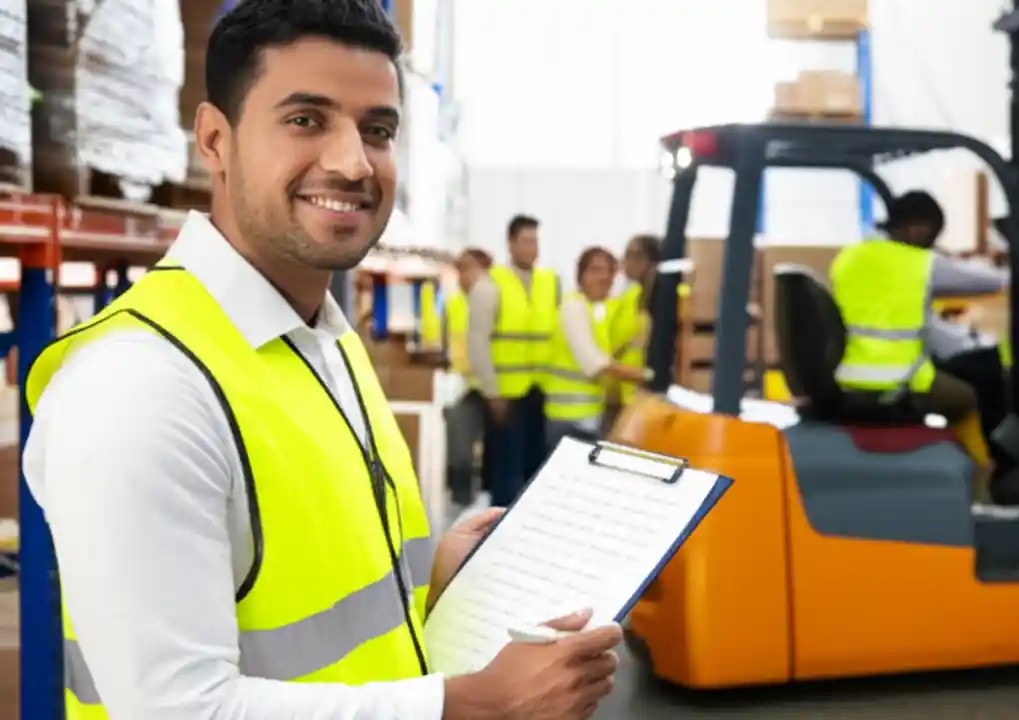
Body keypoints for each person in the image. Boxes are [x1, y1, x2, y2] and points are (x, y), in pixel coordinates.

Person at [21, 2, 621, 718]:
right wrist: (473, 705)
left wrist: (429, 577)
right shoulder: (139, 388)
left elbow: (314, 587)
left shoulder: (323, 340)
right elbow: (180, 710)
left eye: (378, 130)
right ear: (215, 139)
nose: (352, 161)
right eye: (306, 120)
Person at [830, 190, 1007, 496]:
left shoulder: (849, 256)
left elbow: (891, 314)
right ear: (918, 228)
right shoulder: (917, 263)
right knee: (968, 397)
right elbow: (990, 281)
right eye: (933, 236)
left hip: (849, 375)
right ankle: (984, 479)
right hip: (896, 380)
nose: (932, 244)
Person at [467, 214, 560, 507]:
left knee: (535, 468)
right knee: (506, 474)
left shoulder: (550, 283)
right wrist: (491, 392)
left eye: (535, 241)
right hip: (505, 394)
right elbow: (477, 342)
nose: (532, 247)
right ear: (510, 243)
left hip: (539, 390)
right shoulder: (490, 285)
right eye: (526, 240)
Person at [546, 248, 651, 449]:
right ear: (580, 276)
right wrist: (647, 376)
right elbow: (595, 364)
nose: (604, 277)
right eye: (595, 270)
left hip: (591, 417)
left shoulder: (599, 311)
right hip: (569, 420)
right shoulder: (573, 308)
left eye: (609, 271)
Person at [442, 248, 492, 512]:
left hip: (492, 386)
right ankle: (460, 501)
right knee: (460, 449)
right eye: (460, 269)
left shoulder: (492, 300)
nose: (465, 275)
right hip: (463, 385)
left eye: (470, 268)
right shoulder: (454, 303)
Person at [608, 233, 661, 413]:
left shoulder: (661, 299)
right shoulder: (630, 296)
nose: (626, 262)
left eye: (633, 255)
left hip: (646, 392)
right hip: (624, 391)